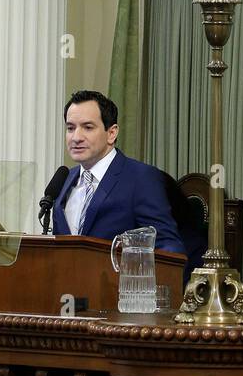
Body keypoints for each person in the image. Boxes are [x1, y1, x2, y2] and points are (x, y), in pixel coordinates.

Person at [51, 90, 184, 254]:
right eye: (70, 128)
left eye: (88, 127)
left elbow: (167, 247)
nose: (76, 137)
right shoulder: (65, 179)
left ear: (111, 133)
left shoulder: (141, 178)